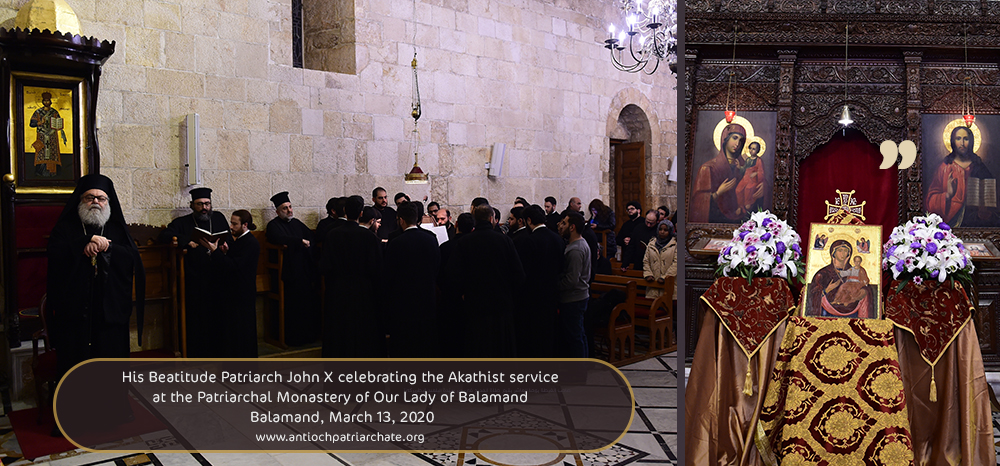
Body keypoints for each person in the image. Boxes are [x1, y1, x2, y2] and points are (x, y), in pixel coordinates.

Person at [47, 174, 145, 374]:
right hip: (75, 312)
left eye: (101, 198)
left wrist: (107, 247)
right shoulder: (66, 227)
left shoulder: (116, 228)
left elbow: (131, 257)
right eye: (89, 197)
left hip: (109, 312)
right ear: (80, 200)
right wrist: (83, 243)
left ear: (108, 201)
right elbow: (55, 254)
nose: (95, 202)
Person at [158, 187, 230, 357]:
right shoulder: (182, 223)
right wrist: (186, 241)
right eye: (200, 204)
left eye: (207, 204)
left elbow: (228, 238)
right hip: (194, 278)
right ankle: (198, 352)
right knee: (197, 318)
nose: (204, 207)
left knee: (219, 316)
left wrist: (225, 247)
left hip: (217, 276)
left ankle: (219, 350)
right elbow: (164, 235)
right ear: (192, 205)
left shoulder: (218, 218)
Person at [446, 204, 524, 357]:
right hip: (501, 305)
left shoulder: (465, 242)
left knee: (478, 348)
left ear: (475, 220)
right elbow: (519, 274)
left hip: (475, 305)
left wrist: (462, 294)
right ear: (492, 219)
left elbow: (453, 274)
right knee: (500, 348)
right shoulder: (505, 241)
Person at [321, 197, 385, 357]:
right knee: (361, 331)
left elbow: (325, 266)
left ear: (345, 212)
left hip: (338, 289)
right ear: (361, 213)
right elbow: (376, 268)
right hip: (362, 291)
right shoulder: (369, 237)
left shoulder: (332, 234)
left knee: (340, 330)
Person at [384, 202, 441, 357]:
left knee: (404, 343)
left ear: (401, 220)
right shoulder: (431, 238)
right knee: (425, 340)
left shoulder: (396, 243)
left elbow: (389, 274)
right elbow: (437, 266)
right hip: (426, 297)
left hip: (403, 300)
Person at [201, 210, 259, 358]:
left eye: (234, 224)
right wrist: (225, 252)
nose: (231, 227)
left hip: (242, 295)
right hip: (233, 294)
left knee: (242, 335)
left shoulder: (251, 242)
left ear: (245, 225)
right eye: (231, 223)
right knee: (233, 334)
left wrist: (215, 252)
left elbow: (233, 267)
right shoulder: (239, 240)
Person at [265, 191, 319, 345]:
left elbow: (311, 238)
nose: (289, 211)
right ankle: (292, 339)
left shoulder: (297, 223)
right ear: (277, 211)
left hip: (304, 271)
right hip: (289, 274)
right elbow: (277, 238)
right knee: (292, 309)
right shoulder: (273, 225)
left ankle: (308, 337)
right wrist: (299, 241)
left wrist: (304, 243)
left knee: (307, 307)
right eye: (284, 208)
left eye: (290, 207)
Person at [514, 205, 564, 357]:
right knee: (549, 332)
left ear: (529, 220)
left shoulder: (530, 241)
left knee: (534, 335)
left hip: (533, 296)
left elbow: (524, 271)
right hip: (552, 293)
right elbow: (561, 267)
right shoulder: (557, 238)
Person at [926, 125, 996, 227]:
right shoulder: (945, 167)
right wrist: (948, 195)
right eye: (958, 139)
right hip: (952, 220)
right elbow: (930, 201)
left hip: (976, 221)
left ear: (971, 141)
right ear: (952, 141)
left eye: (966, 139)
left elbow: (992, 195)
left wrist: (985, 207)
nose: (962, 143)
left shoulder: (979, 165)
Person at [691, 123, 760, 223]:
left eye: (741, 141)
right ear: (725, 139)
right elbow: (697, 201)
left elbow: (757, 184)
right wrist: (717, 193)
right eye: (734, 138)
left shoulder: (746, 166)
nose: (737, 144)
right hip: (716, 220)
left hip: (743, 220)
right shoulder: (708, 168)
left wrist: (761, 188)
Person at [804, 239, 874, 318]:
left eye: (845, 251)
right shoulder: (823, 274)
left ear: (849, 254)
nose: (843, 253)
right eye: (840, 250)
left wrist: (863, 291)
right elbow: (813, 295)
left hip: (853, 314)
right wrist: (827, 290)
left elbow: (865, 285)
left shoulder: (855, 270)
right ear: (833, 253)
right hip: (827, 314)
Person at [556, 211, 590, 358]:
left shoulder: (576, 249)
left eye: (564, 223)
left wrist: (554, 286)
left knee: (575, 337)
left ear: (572, 227)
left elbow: (572, 279)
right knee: (578, 335)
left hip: (573, 299)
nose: (560, 225)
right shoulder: (579, 244)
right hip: (578, 297)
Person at [30, 91, 67, 177]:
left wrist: (58, 125)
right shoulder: (38, 112)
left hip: (52, 136)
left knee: (53, 154)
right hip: (42, 135)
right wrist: (39, 122)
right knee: (42, 154)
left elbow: (58, 122)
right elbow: (32, 124)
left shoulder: (54, 112)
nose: (46, 102)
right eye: (45, 100)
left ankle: (53, 172)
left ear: (50, 101)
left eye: (48, 100)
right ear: (42, 101)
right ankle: (40, 172)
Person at [643, 220, 677, 299]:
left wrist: (665, 277)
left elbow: (676, 263)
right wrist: (648, 274)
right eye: (660, 229)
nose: (662, 232)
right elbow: (646, 261)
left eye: (665, 230)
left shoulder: (675, 244)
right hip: (653, 284)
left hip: (669, 285)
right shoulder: (651, 243)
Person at [735, 140, 766, 213]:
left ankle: (747, 204)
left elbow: (761, 171)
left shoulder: (758, 160)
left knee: (748, 189)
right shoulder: (748, 160)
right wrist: (739, 167)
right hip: (745, 178)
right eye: (750, 148)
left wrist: (756, 173)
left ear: (757, 151)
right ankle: (740, 206)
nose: (751, 150)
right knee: (738, 190)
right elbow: (744, 169)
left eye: (753, 149)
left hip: (753, 180)